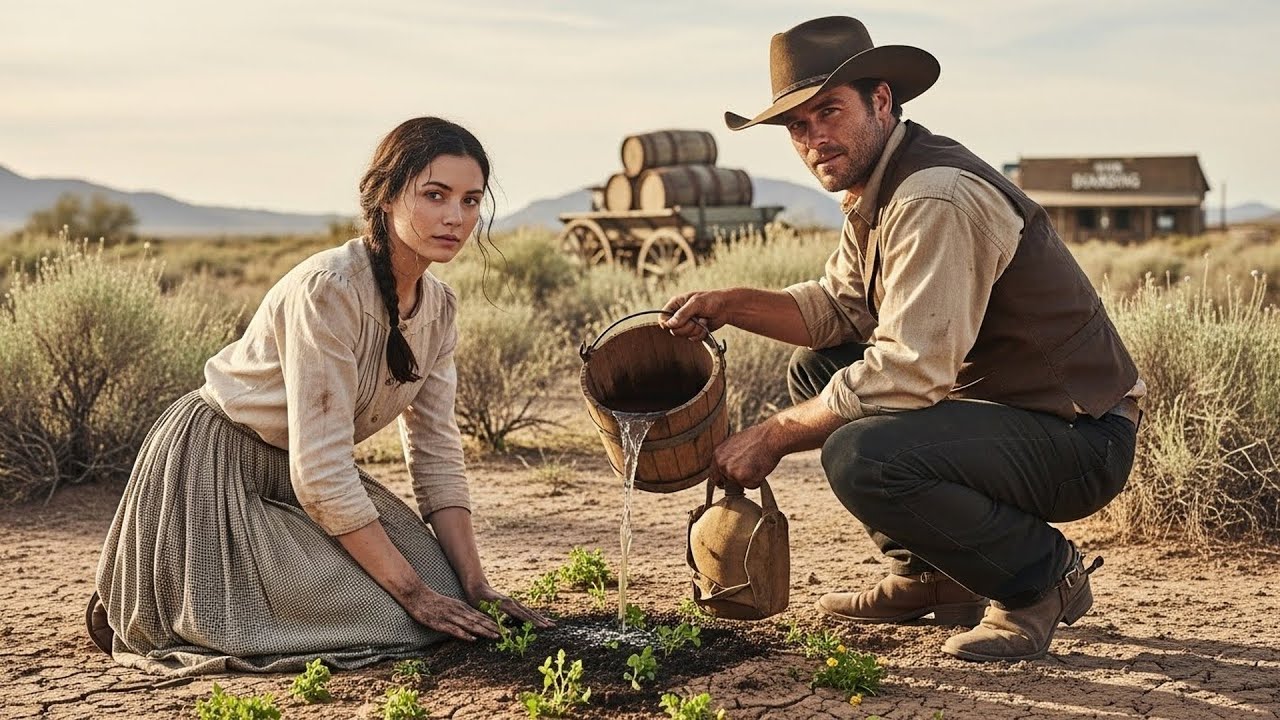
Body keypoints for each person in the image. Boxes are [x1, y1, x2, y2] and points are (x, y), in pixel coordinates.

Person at [662, 16, 1144, 662]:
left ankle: (1040, 578)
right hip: (1009, 416)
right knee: (818, 371)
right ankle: (934, 577)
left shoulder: (932, 196)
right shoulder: (878, 190)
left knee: (865, 454)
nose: (814, 138)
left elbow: (907, 373)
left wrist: (771, 436)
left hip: (1080, 438)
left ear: (882, 100)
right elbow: (837, 310)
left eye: (829, 112)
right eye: (798, 126)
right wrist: (729, 304)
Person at [88, 116, 552, 675]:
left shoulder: (440, 308)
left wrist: (476, 585)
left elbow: (435, 449)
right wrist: (412, 595)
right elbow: (325, 471)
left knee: (448, 591)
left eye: (471, 200)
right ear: (386, 197)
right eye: (435, 195)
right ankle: (156, 584)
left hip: (296, 470)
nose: (455, 217)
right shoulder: (330, 289)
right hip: (216, 464)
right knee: (399, 618)